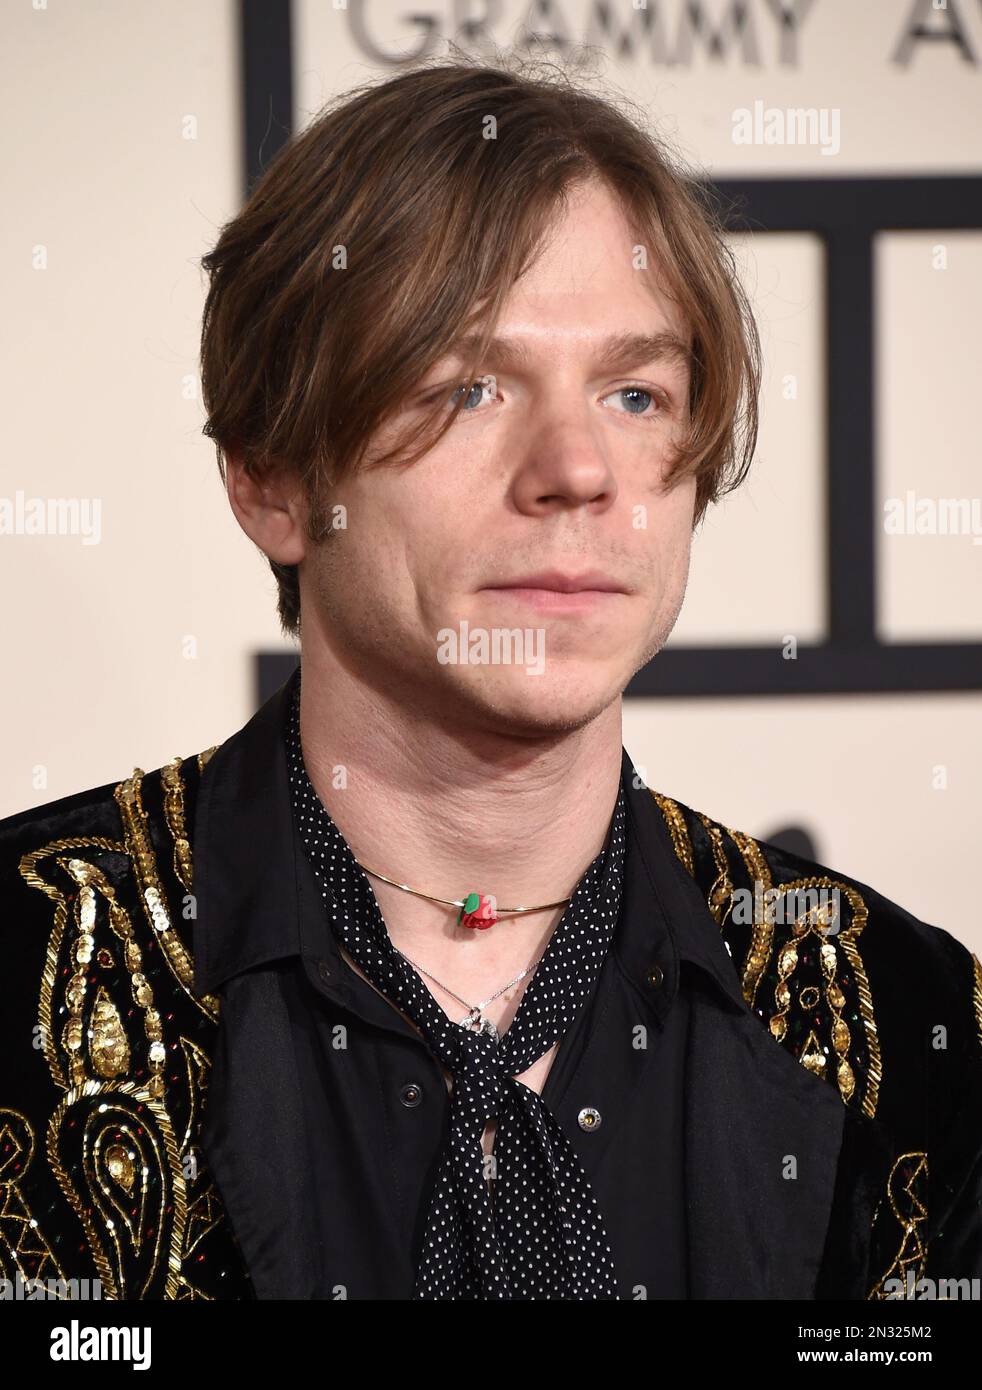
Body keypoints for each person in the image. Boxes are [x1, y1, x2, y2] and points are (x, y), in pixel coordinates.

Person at [2, 55, 980, 1303]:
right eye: (469, 388)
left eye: (635, 393)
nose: (577, 469)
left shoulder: (916, 1018)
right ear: (272, 478)